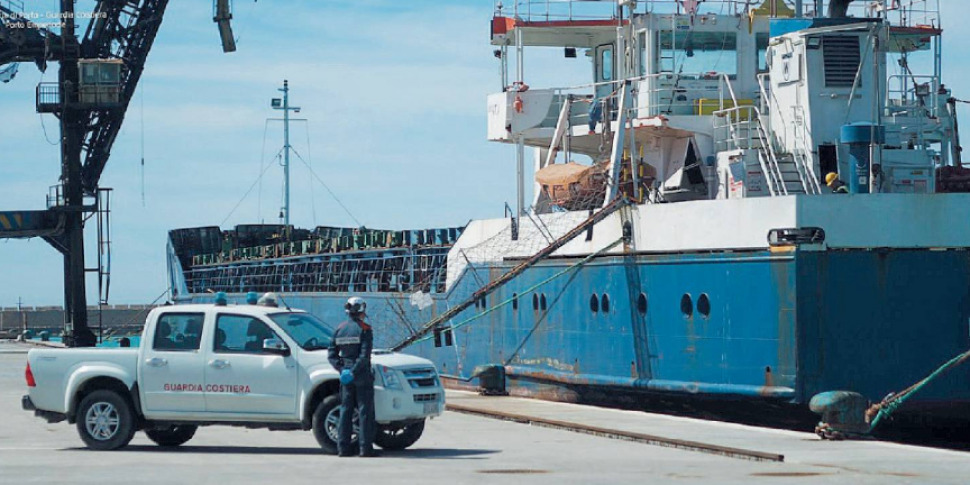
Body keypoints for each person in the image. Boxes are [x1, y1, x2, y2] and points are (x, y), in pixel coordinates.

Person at [327, 297, 378, 457]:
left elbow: (331, 354)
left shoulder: (339, 329)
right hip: (361, 374)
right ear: (362, 310)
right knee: (365, 412)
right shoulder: (365, 329)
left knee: (345, 411)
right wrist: (354, 371)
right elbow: (364, 356)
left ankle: (343, 449)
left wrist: (342, 370)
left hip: (346, 376)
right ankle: (365, 449)